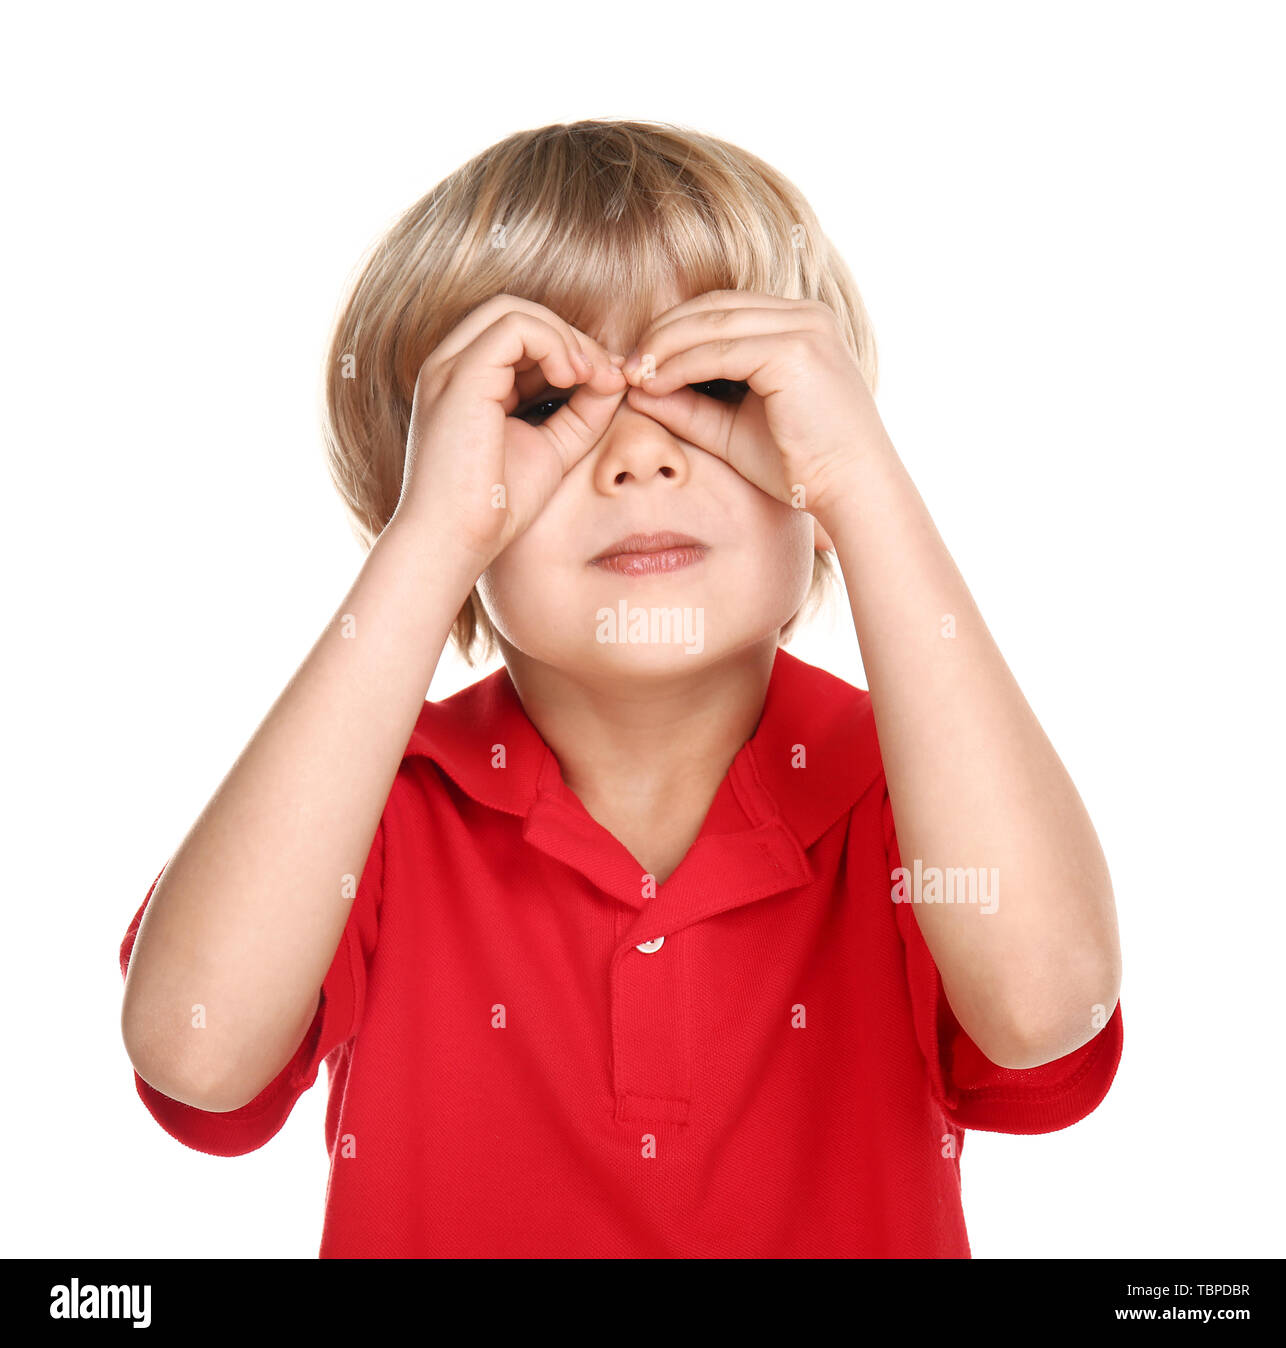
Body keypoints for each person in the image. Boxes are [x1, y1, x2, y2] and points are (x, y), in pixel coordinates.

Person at [119, 118, 1123, 1257]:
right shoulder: (373, 810)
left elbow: (1048, 1008)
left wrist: (861, 484)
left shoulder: (917, 797)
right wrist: (429, 540)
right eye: (541, 407)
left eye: (721, 388)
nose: (637, 458)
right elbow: (195, 1049)